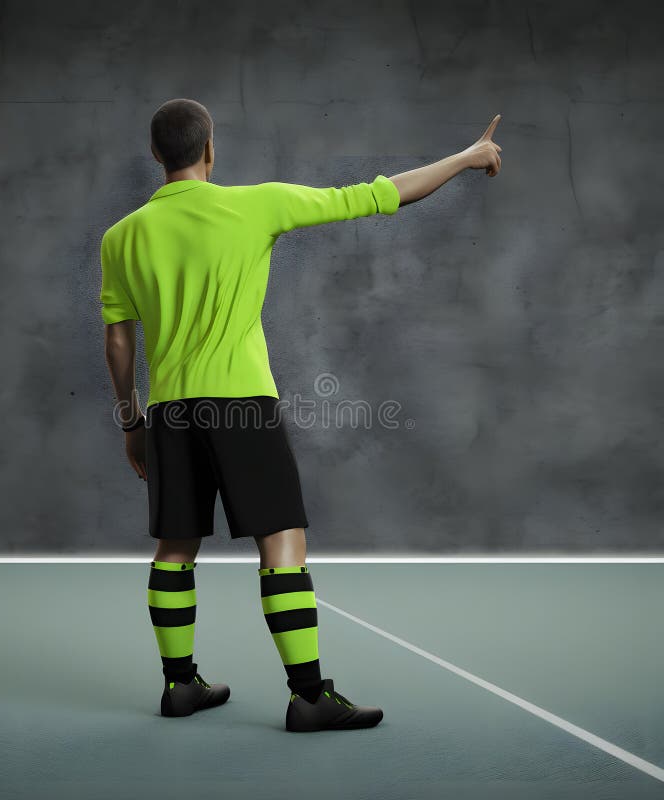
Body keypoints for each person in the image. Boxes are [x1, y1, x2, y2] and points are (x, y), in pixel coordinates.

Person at [100, 98, 502, 732]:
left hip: (170, 411)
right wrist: (468, 156)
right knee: (282, 547)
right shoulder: (258, 204)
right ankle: (309, 696)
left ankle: (179, 687)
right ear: (210, 149)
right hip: (242, 403)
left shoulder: (120, 238)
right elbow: (381, 195)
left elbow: (118, 340)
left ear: (155, 155)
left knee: (174, 548)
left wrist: (133, 423)